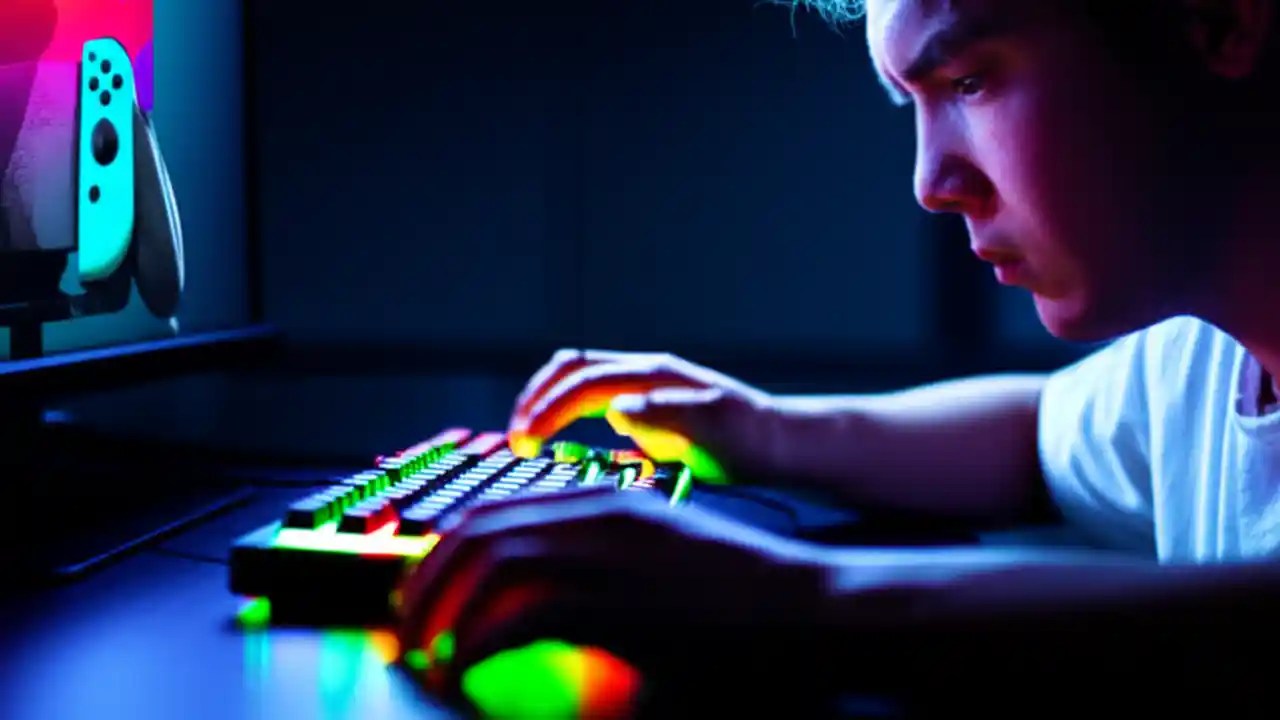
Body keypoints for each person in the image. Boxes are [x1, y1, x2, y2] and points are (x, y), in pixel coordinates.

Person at [398, 0, 1280, 712]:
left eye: (970, 81)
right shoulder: (1194, 356)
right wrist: (762, 428)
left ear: (1215, 22)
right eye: (917, 103)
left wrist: (788, 603)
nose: (932, 183)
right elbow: (1036, 433)